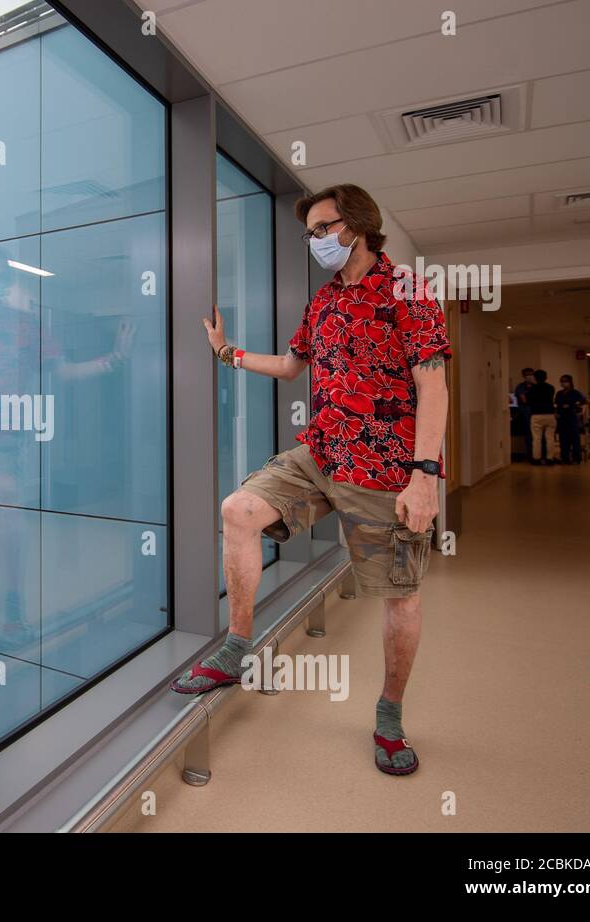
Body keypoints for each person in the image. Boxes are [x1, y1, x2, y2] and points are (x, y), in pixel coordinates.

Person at [171, 183, 451, 778]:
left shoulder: (408, 292)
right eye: (311, 232)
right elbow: (294, 365)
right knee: (238, 510)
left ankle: (390, 715)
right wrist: (227, 352)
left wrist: (425, 476)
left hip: (382, 467)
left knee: (399, 593)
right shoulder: (324, 302)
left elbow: (433, 384)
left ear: (357, 227)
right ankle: (237, 650)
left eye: (324, 228)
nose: (316, 240)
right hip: (321, 453)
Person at [527, 370, 557, 465]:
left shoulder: (532, 389)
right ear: (546, 377)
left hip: (536, 415)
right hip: (549, 414)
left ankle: (536, 459)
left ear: (535, 378)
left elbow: (528, 400)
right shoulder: (551, 388)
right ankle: (550, 458)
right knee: (550, 438)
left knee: (537, 438)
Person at [555, 374, 586, 464]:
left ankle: (576, 458)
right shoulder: (559, 393)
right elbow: (557, 404)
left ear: (570, 382)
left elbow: (583, 401)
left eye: (565, 381)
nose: (563, 383)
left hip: (572, 417)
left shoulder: (575, 393)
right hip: (562, 418)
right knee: (563, 439)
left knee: (574, 439)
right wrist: (557, 412)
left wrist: (573, 405)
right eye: (562, 381)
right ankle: (565, 458)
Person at [514, 368, 536, 458]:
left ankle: (538, 454)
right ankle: (530, 454)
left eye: (531, 374)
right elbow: (524, 400)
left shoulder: (536, 386)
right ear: (523, 376)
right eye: (527, 374)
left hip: (536, 413)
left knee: (537, 435)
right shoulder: (520, 387)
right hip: (525, 412)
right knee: (529, 434)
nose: (529, 376)